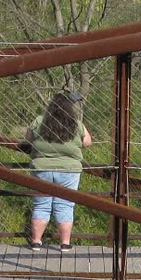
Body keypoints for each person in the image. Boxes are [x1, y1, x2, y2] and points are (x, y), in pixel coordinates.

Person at [25, 90, 91, 251]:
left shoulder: (39, 121)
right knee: (65, 205)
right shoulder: (76, 124)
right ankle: (65, 243)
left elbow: (28, 138)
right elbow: (88, 142)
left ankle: (36, 241)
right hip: (69, 170)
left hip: (42, 168)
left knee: (41, 205)